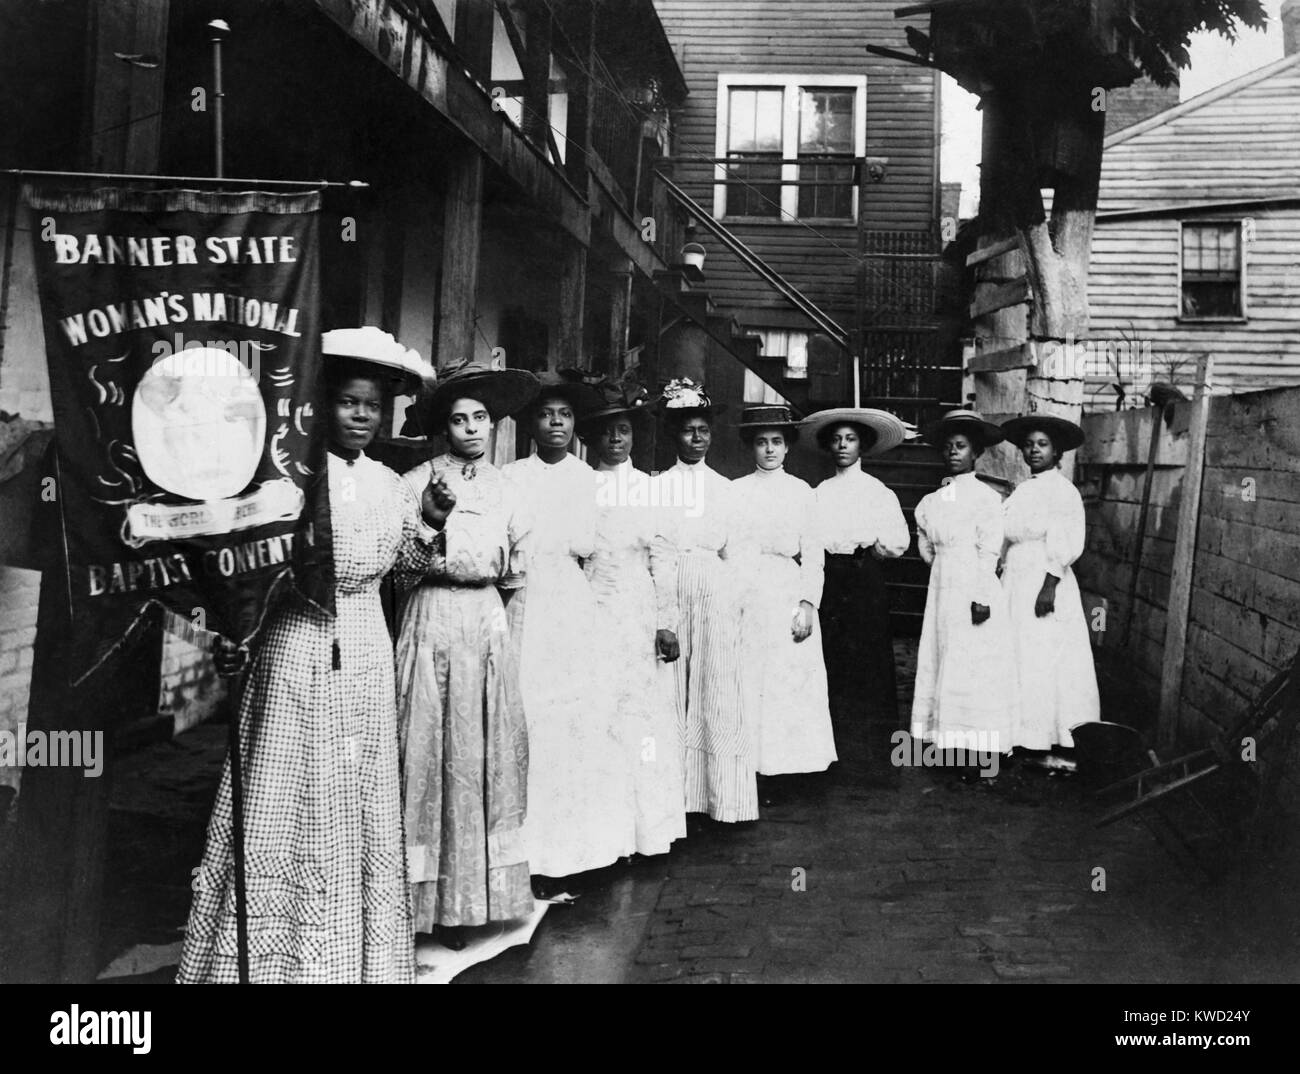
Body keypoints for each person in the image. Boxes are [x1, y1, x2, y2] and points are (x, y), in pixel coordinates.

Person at [178, 327, 454, 984]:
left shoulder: (391, 484)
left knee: (353, 797)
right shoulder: (291, 474)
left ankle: (348, 964)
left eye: (372, 406)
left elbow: (404, 575)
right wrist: (232, 633)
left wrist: (432, 521)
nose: (361, 416)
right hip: (295, 643)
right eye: (348, 402)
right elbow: (247, 567)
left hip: (364, 648)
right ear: (323, 404)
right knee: (285, 789)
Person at [395, 360, 540, 950]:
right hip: (431, 615)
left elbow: (518, 572)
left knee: (483, 752)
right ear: (443, 428)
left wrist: (503, 630)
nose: (473, 430)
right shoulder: (415, 484)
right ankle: (422, 903)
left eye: (481, 418)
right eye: (460, 420)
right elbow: (401, 568)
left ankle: (477, 901)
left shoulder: (510, 489)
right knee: (428, 749)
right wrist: (433, 524)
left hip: (485, 621)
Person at [503, 372, 637, 888]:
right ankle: (528, 853)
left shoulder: (591, 481)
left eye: (565, 415)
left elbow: (601, 558)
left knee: (577, 720)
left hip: (574, 606)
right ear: (530, 423)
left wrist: (601, 623)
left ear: (576, 424)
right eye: (545, 414)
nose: (556, 423)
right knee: (530, 714)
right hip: (525, 601)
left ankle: (579, 850)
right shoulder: (511, 477)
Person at [577, 381, 686, 857]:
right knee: (598, 712)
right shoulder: (580, 486)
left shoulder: (649, 488)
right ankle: (605, 835)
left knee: (640, 715)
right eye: (607, 432)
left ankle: (646, 831)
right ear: (591, 438)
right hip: (592, 605)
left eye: (624, 430)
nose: (616, 440)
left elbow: (663, 557)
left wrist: (667, 620)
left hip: (638, 607)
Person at [656, 379, 757, 823]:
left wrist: (732, 604)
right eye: (687, 430)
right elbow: (657, 550)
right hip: (674, 584)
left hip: (715, 587)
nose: (697, 438)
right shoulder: (658, 487)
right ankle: (676, 799)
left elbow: (738, 554)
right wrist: (664, 613)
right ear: (673, 436)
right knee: (673, 687)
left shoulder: (726, 490)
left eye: (703, 430)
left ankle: (722, 799)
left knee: (716, 687)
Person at [731, 405, 837, 794]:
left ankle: (794, 767)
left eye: (777, 442)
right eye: (761, 442)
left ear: (788, 447)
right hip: (748, 589)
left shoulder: (802, 493)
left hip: (787, 589)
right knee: (750, 676)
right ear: (751, 448)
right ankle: (753, 766)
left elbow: (812, 554)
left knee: (790, 677)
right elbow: (731, 550)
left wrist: (807, 604)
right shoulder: (736, 491)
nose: (770, 450)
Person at [802, 407, 910, 767]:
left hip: (864, 579)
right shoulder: (819, 493)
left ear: (861, 445)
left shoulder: (877, 492)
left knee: (870, 659)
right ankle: (837, 748)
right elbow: (811, 540)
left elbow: (898, 540)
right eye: (836, 439)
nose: (842, 446)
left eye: (849, 439)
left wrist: (872, 551)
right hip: (832, 579)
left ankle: (874, 750)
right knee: (832, 658)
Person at [910, 410, 1017, 769]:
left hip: (973, 584)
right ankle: (943, 736)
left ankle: (975, 743)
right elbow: (924, 538)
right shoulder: (933, 500)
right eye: (949, 447)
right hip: (943, 586)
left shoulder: (986, 498)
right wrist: (937, 560)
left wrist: (982, 595)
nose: (953, 453)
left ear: (976, 454)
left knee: (972, 661)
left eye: (961, 447)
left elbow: (989, 550)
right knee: (941, 653)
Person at [999, 414, 1102, 754]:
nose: (1034, 451)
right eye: (1029, 445)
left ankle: (1050, 733)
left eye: (1042, 445)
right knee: (1017, 652)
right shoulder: (1024, 490)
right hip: (1016, 577)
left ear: (1057, 452)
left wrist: (1049, 585)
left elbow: (1067, 541)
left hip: (1044, 578)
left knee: (1043, 653)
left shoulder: (1062, 491)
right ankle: (1021, 732)